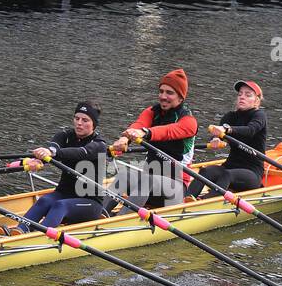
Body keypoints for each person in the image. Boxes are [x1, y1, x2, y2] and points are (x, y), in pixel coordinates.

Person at [104, 68, 197, 214]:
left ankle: (119, 222)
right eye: (161, 91)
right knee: (124, 175)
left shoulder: (188, 121)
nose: (163, 96)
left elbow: (167, 132)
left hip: (175, 190)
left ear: (180, 98)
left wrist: (145, 132)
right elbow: (138, 125)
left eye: (169, 93)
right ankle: (99, 214)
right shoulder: (152, 112)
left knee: (148, 180)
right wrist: (124, 139)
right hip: (149, 184)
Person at [21, 100, 110, 230]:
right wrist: (38, 160)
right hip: (63, 194)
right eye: (77, 118)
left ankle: (38, 238)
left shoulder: (99, 145)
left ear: (94, 124)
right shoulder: (65, 136)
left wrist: (51, 152)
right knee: (44, 200)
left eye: (85, 120)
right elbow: (53, 147)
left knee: (60, 205)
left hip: (90, 204)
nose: (79, 123)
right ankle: (20, 231)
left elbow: (81, 153)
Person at [188, 80, 268, 199]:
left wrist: (228, 129)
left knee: (227, 175)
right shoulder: (230, 117)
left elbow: (250, 130)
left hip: (252, 172)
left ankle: (204, 202)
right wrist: (216, 139)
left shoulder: (259, 115)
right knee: (205, 172)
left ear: (256, 101)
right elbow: (218, 135)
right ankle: (184, 200)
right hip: (230, 166)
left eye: (248, 94)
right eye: (240, 94)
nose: (242, 97)